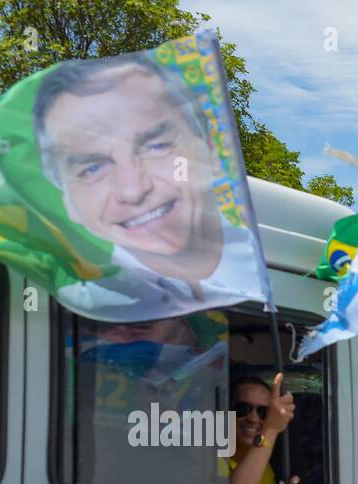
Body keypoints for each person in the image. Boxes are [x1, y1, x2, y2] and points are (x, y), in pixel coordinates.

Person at [33, 54, 263, 318]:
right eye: (93, 168)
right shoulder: (85, 305)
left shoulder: (258, 263)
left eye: (157, 146)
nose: (133, 190)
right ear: (68, 202)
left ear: (210, 151)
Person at [222, 373, 307, 484]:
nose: (253, 419)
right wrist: (271, 429)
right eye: (243, 409)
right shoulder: (209, 461)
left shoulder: (268, 465)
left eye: (264, 412)